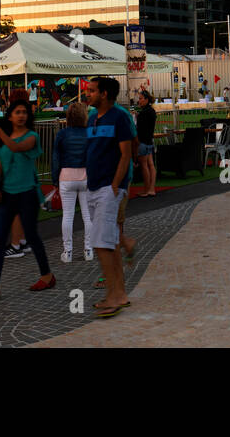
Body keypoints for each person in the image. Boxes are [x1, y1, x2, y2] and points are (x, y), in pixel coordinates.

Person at [0, 100, 55, 301]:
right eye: (17, 112)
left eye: (24, 112)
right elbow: (0, 163)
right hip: (7, 194)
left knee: (32, 236)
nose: (21, 115)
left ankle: (46, 275)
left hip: (27, 193)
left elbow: (17, 148)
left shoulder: (32, 137)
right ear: (10, 116)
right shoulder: (7, 137)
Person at [83, 77, 133, 317]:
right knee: (110, 243)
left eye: (92, 91)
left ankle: (112, 296)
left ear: (104, 94)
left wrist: (115, 184)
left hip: (108, 188)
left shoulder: (119, 117)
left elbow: (126, 153)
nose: (87, 94)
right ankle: (120, 294)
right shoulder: (92, 117)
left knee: (101, 243)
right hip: (94, 185)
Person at [52, 102, 93, 262]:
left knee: (67, 216)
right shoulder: (89, 133)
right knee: (87, 216)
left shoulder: (62, 134)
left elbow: (56, 158)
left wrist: (55, 179)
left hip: (66, 176)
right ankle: (88, 250)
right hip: (86, 176)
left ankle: (67, 252)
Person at [133, 89, 158, 198]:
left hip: (143, 142)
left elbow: (139, 129)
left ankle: (147, 189)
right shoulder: (151, 111)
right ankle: (151, 188)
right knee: (151, 165)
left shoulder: (143, 113)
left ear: (146, 99)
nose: (139, 101)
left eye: (141, 98)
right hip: (149, 141)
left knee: (144, 166)